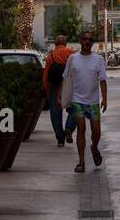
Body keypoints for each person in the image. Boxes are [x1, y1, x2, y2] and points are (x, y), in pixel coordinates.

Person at [61, 31, 108, 173]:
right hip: (77, 100)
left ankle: (94, 147)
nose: (87, 42)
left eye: (90, 40)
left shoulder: (98, 59)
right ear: (80, 41)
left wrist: (105, 99)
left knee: (97, 132)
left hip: (93, 102)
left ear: (92, 43)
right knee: (81, 129)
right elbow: (66, 78)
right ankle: (81, 162)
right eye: (85, 39)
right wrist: (61, 96)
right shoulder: (72, 58)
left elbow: (103, 80)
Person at [43, 34, 76, 147]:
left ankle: (60, 139)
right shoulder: (71, 53)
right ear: (66, 43)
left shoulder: (51, 56)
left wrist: (47, 90)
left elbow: (46, 75)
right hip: (69, 84)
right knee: (74, 107)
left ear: (55, 44)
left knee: (55, 112)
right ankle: (69, 127)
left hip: (55, 85)